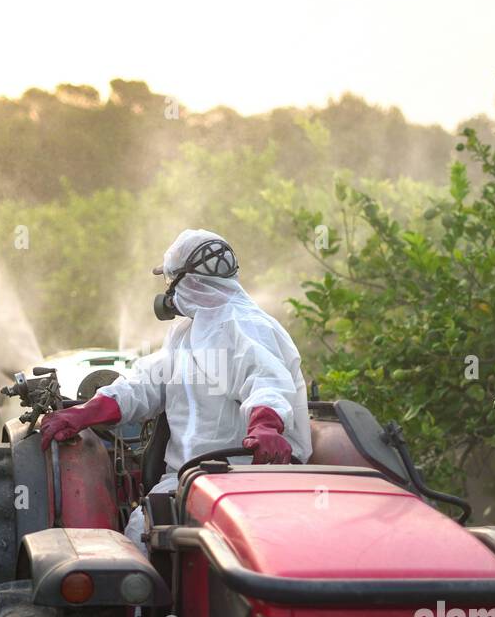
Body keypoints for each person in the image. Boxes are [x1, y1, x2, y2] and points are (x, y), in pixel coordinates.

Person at [38, 229, 312, 548]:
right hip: (187, 482)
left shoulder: (248, 327)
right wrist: (84, 413)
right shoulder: (186, 334)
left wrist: (265, 426)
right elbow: (144, 384)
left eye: (169, 281)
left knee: (142, 542)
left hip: (248, 482)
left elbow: (266, 381)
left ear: (184, 281)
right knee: (140, 541)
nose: (168, 292)